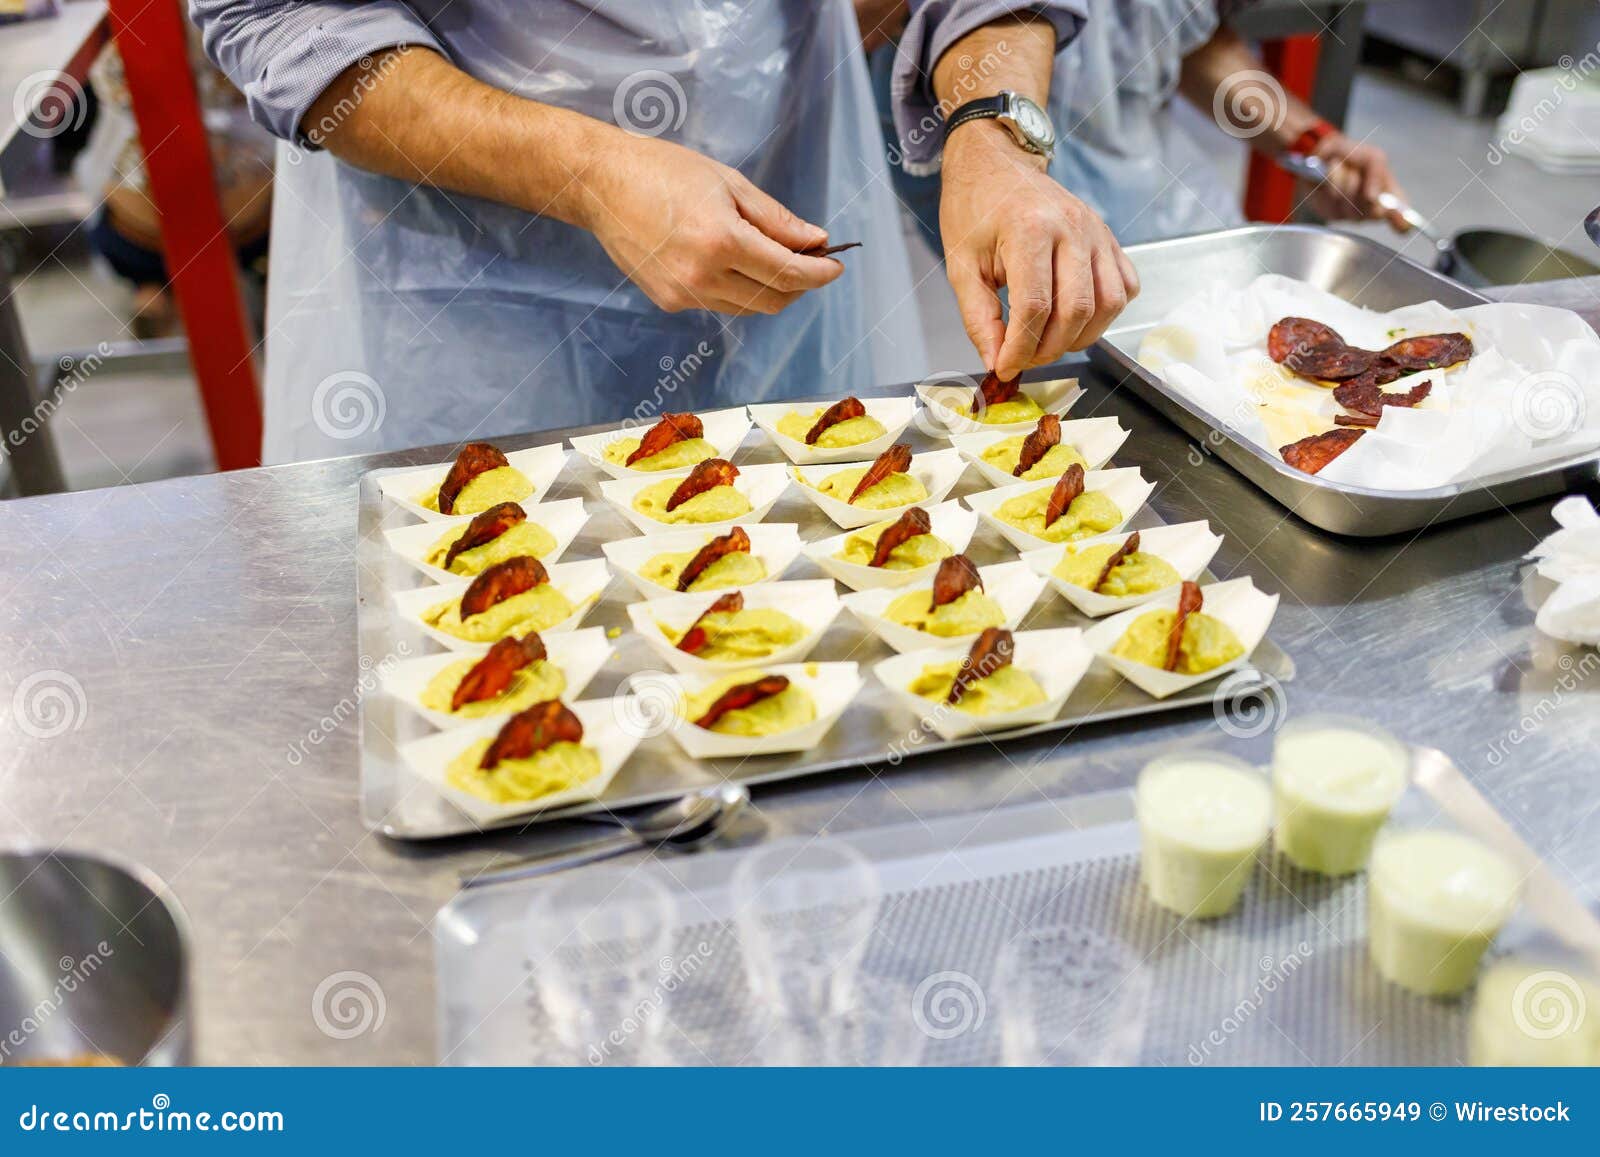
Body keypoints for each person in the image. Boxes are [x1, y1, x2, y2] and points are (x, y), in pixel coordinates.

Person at [189, 1, 1137, 462]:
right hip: (469, 319)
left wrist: (995, 132)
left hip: (791, 258)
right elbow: (281, 19)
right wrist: (590, 173)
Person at [872, 0, 1409, 250]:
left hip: (1136, 163)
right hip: (990, 151)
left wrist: (1310, 142)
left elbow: (1184, 30)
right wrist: (1002, 154)